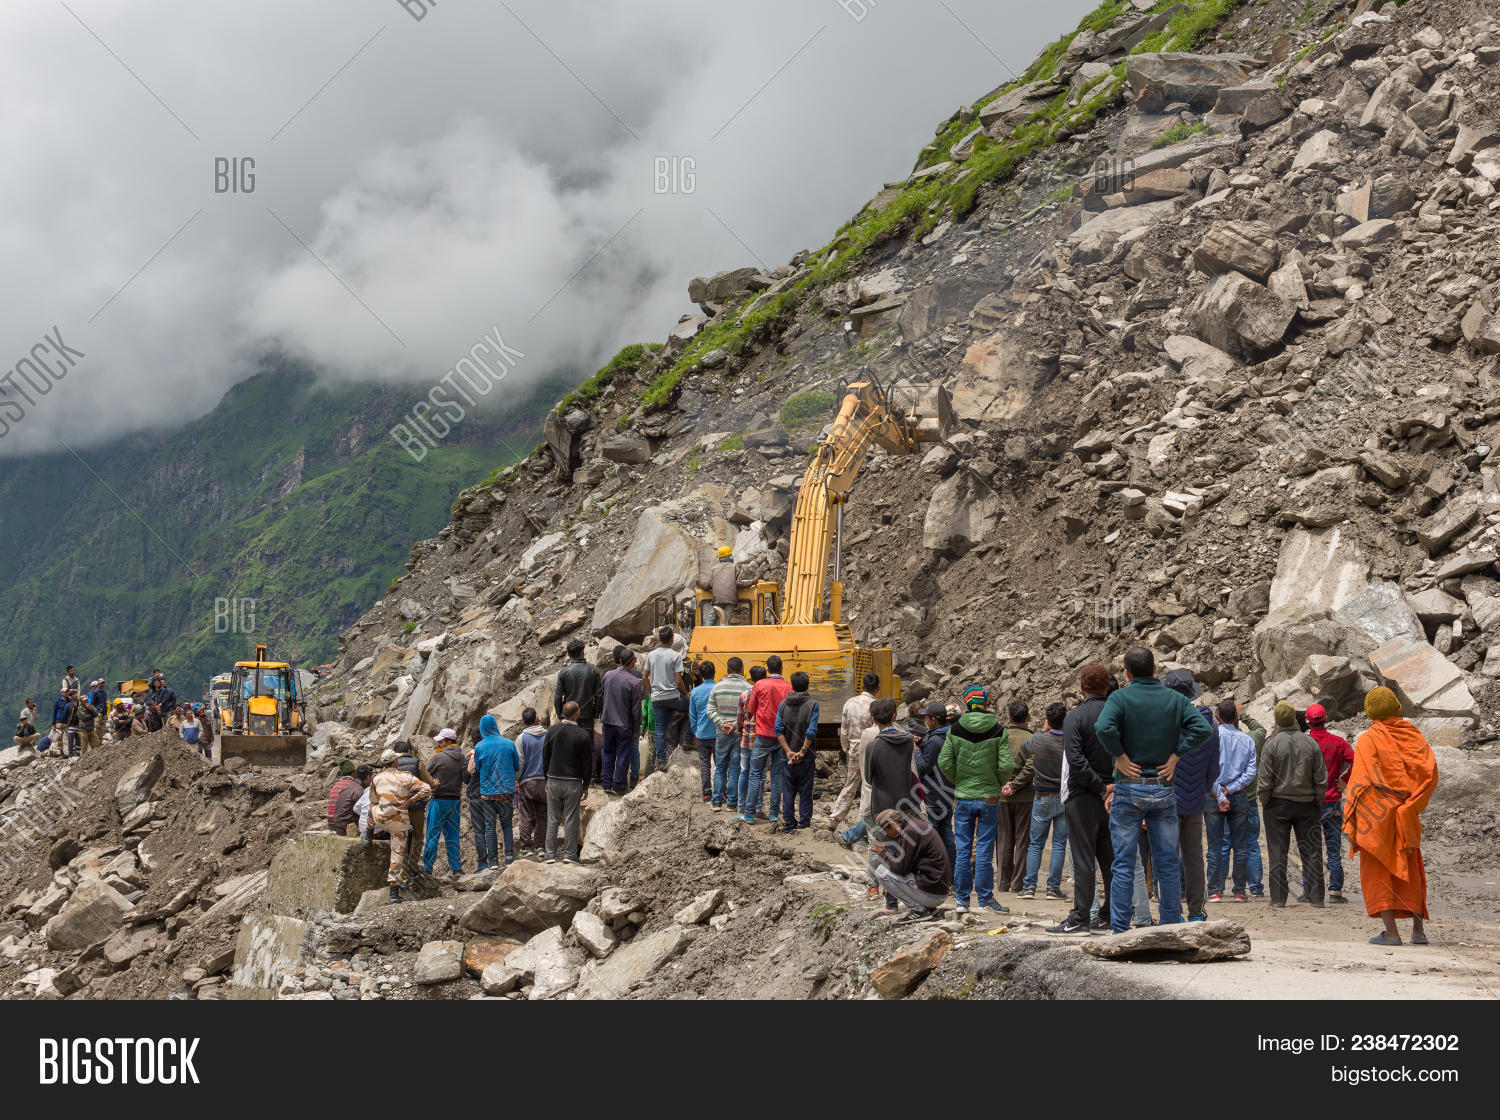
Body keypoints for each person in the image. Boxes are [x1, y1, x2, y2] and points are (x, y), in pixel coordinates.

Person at [1344, 687, 1438, 946]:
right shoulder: (1414, 736)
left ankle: (1392, 933)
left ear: (1370, 712)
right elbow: (1428, 773)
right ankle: (1418, 932)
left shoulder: (1367, 739)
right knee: (1411, 869)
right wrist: (1411, 805)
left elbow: (1361, 782)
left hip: (1376, 819)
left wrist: (1354, 813)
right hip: (1405, 814)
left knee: (1378, 873)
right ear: (1397, 706)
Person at [1049, 664, 1116, 935]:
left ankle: (1080, 917)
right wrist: (1112, 787)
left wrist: (1099, 787)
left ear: (1082, 686)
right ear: (1107, 686)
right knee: (1111, 858)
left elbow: (1075, 760)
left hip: (1083, 796)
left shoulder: (1074, 717)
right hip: (1116, 793)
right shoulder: (1119, 714)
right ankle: (1112, 913)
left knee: (1083, 858)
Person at [938, 686, 1014, 916]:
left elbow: (944, 762)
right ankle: (985, 899)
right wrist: (996, 782)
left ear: (967, 703)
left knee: (963, 850)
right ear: (984, 702)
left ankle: (962, 900)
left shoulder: (955, 729)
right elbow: (1008, 765)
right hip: (989, 797)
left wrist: (958, 780)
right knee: (984, 849)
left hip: (963, 797)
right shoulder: (999, 729)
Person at [1259, 702, 1328, 908]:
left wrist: (1265, 800)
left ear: (1277, 720)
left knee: (1277, 852)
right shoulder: (1310, 743)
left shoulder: (1271, 744)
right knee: (1313, 851)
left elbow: (1264, 779)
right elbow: (1321, 777)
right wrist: (1317, 799)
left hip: (1277, 806)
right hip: (1307, 804)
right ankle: (1317, 898)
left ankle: (1278, 899)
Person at [1162, 670, 1217, 922]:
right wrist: (1204, 789)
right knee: (1194, 857)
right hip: (1196, 801)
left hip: (1167, 800)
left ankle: (1173, 911)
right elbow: (1214, 768)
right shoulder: (1209, 726)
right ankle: (1197, 910)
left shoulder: (1164, 723)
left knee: (1168, 857)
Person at [1018, 702, 1069, 901]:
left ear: (1048, 720)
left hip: (1041, 797)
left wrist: (1043, 729)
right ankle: (1052, 889)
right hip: (1064, 797)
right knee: (1058, 844)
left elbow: (1024, 749)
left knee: (1035, 844)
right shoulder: (1070, 741)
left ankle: (1029, 887)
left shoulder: (1037, 739)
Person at [1208, 699, 1258, 902]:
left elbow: (1207, 769)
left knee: (1214, 845)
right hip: (1237, 795)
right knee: (1240, 845)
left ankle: (1214, 890)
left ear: (1217, 717)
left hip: (1213, 794)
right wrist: (1230, 789)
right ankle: (1239, 890)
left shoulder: (1211, 738)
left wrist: (1219, 792)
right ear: (1237, 718)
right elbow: (1250, 771)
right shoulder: (1247, 741)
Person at [368, 748, 432, 903]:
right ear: (395, 761)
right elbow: (427, 788)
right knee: (397, 853)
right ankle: (393, 894)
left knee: (371, 807)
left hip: (381, 819)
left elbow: (373, 799)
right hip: (399, 822)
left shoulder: (376, 779)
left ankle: (367, 833)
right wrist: (410, 801)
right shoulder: (406, 777)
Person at [1306, 703, 1355, 903]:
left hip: (1310, 801)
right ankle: (1335, 890)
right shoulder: (1338, 742)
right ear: (1325, 720)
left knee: (1309, 847)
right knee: (1334, 848)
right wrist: (1345, 779)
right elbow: (1357, 761)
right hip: (1332, 800)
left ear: (1308, 722)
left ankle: (1310, 889)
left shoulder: (1305, 743)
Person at [868, 808, 952, 923]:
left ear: (892, 825)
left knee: (881, 872)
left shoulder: (910, 832)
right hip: (938, 889)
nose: (887, 835)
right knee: (888, 869)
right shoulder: (913, 824)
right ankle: (926, 908)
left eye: (885, 831)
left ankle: (919, 910)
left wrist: (882, 853)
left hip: (934, 895)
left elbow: (901, 869)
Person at [738, 655, 792, 826]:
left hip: (762, 736)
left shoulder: (760, 685)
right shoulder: (788, 687)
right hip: (781, 737)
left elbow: (751, 710)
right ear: (781, 669)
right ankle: (774, 814)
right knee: (777, 776)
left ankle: (749, 814)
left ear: (767, 669)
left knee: (755, 774)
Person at [543, 701, 593, 863]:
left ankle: (549, 855)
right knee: (571, 818)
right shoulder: (583, 735)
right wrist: (585, 785)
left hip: (553, 780)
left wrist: (546, 778)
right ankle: (570, 854)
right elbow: (587, 763)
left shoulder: (552, 731)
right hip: (573, 782)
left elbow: (545, 757)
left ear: (563, 713)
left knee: (552, 818)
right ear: (577, 713)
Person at [470, 715, 522, 869]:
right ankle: (509, 857)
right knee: (506, 825)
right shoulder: (508, 743)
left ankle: (493, 861)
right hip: (506, 792)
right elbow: (517, 766)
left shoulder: (479, 747)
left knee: (490, 827)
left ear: (482, 728)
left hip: (488, 793)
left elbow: (478, 768)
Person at [829, 673, 880, 829]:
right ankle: (862, 821)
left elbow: (843, 731)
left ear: (862, 686)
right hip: (872, 751)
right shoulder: (876, 706)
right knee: (868, 786)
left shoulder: (849, 703)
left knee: (850, 785)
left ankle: (834, 818)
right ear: (877, 688)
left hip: (854, 750)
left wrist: (847, 748)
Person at [554, 637, 604, 785]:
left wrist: (560, 714)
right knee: (588, 748)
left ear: (568, 655)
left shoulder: (564, 673)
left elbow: (558, 697)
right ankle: (589, 779)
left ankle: (570, 776)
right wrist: (596, 712)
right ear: (583, 652)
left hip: (568, 717)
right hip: (587, 716)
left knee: (568, 747)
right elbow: (599, 695)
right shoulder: (593, 671)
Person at [998, 700, 1035, 894]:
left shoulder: (1000, 737)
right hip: (1025, 796)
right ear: (1028, 717)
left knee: (1004, 840)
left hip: (1001, 796)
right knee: (1022, 840)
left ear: (1009, 717)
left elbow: (993, 764)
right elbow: (1031, 767)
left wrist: (1005, 786)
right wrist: (1016, 785)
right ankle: (1018, 883)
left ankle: (1003, 882)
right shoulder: (1031, 739)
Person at [641, 626, 689, 775]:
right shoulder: (675, 656)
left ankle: (661, 762)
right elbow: (678, 680)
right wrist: (686, 694)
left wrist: (652, 692)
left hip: (657, 699)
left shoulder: (651, 655)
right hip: (673, 697)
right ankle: (687, 740)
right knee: (691, 707)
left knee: (660, 730)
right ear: (672, 639)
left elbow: (644, 677)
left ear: (660, 640)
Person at [915, 702, 957, 871]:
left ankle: (933, 875)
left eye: (926, 718)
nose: (925, 721)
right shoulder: (951, 736)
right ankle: (952, 876)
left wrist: (916, 750)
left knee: (929, 839)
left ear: (933, 720)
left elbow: (923, 767)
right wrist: (923, 744)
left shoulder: (934, 741)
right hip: (948, 794)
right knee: (947, 836)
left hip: (933, 797)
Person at [776, 671, 819, 832]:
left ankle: (789, 824)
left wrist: (788, 751)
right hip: (806, 757)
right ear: (807, 686)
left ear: (792, 686)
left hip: (785, 757)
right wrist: (802, 751)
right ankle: (804, 825)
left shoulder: (782, 705)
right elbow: (811, 731)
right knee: (805, 791)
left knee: (788, 791)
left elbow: (778, 730)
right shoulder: (813, 705)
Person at [708, 656, 752, 811]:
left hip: (721, 733)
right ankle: (732, 803)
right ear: (742, 670)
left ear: (727, 670)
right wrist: (734, 725)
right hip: (739, 733)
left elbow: (710, 710)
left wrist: (722, 724)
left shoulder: (717, 687)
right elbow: (749, 714)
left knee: (720, 767)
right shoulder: (747, 688)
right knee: (735, 768)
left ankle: (716, 802)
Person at [423, 728, 468, 879]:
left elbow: (425, 775)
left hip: (439, 800)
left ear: (449, 742)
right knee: (453, 836)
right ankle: (456, 868)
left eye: (441, 741)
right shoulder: (462, 757)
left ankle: (428, 869)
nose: (438, 743)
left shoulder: (438, 757)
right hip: (455, 800)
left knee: (432, 835)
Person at [600, 646, 643, 795]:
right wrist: (637, 728)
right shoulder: (635, 682)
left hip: (608, 722)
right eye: (635, 660)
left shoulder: (607, 675)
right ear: (631, 662)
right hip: (624, 724)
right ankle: (618, 785)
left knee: (607, 752)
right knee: (623, 755)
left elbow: (601, 696)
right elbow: (636, 710)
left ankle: (606, 783)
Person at [394, 740, 433, 869]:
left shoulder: (390, 764)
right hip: (416, 806)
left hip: (398, 807)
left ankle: (401, 866)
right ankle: (413, 864)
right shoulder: (417, 763)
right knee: (418, 836)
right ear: (409, 751)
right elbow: (429, 782)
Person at [515, 708, 549, 857]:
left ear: (524, 722)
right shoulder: (548, 735)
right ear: (537, 719)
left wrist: (518, 778)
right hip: (545, 781)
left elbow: (520, 761)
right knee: (543, 815)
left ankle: (526, 847)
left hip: (527, 781)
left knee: (526, 815)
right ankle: (541, 846)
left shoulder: (521, 738)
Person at [734, 665, 767, 818]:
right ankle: (758, 808)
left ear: (751, 679)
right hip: (762, 739)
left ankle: (741, 807)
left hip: (746, 739)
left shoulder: (744, 695)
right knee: (760, 775)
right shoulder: (766, 695)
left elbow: (740, 720)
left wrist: (741, 729)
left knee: (744, 772)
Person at [695, 545, 752, 625]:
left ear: (720, 558)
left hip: (717, 599)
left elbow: (708, 586)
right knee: (725, 620)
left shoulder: (714, 569)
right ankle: (722, 633)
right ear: (729, 556)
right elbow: (739, 584)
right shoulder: (735, 567)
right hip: (730, 599)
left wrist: (699, 583)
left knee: (710, 618)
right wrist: (752, 582)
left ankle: (707, 633)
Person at [688, 660, 719, 803]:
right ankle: (721, 793)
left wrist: (696, 731)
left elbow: (692, 716)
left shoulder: (695, 692)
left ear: (700, 674)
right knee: (721, 764)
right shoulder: (719, 689)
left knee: (705, 764)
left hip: (702, 733)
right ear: (714, 673)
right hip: (719, 733)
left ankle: (707, 794)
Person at [464, 733, 491, 871]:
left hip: (475, 796)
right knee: (490, 828)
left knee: (479, 830)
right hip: (489, 794)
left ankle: (482, 863)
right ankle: (494, 860)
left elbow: (465, 777)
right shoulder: (489, 753)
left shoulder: (469, 757)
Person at [326, 761, 370, 835]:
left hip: (332, 821)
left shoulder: (336, 785)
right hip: (345, 826)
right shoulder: (353, 786)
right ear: (354, 772)